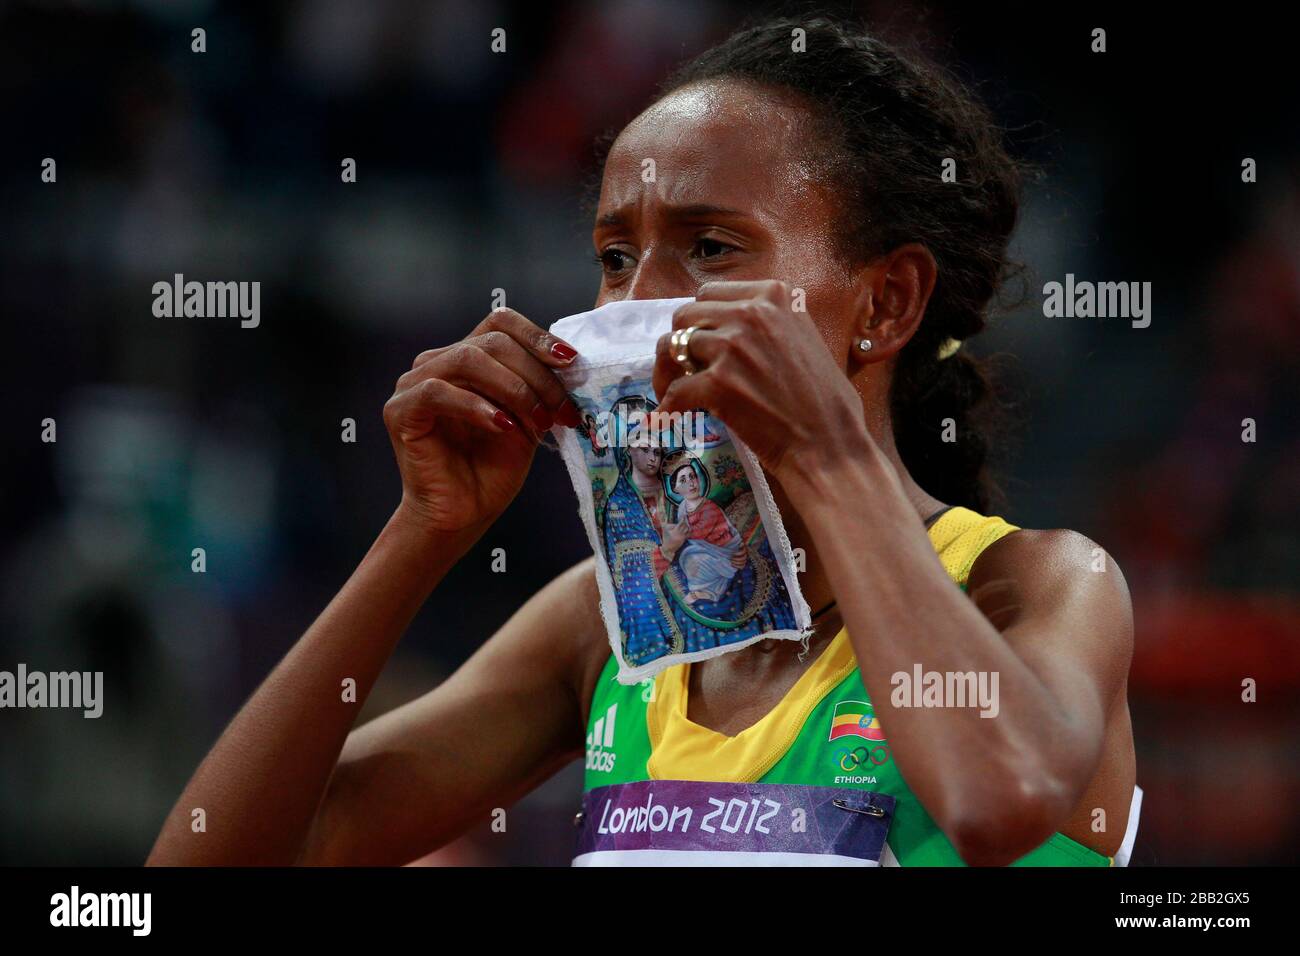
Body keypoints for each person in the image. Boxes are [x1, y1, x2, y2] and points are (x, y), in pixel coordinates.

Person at [149, 15, 1136, 867]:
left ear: (884, 303)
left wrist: (828, 455)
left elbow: (997, 801)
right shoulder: (606, 628)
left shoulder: (1043, 582)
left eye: (710, 248)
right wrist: (421, 532)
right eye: (615, 258)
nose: (640, 304)